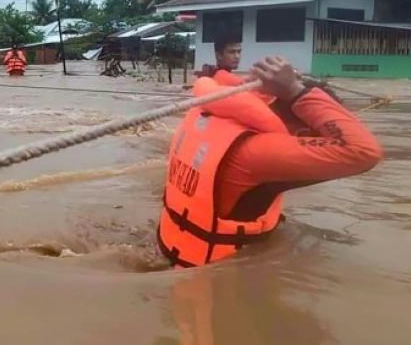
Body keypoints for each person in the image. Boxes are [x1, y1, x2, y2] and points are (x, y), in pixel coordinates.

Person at [157, 55, 383, 268]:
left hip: (173, 250)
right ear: (305, 132)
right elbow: (363, 151)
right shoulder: (258, 154)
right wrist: (295, 91)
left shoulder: (220, 120)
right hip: (220, 275)